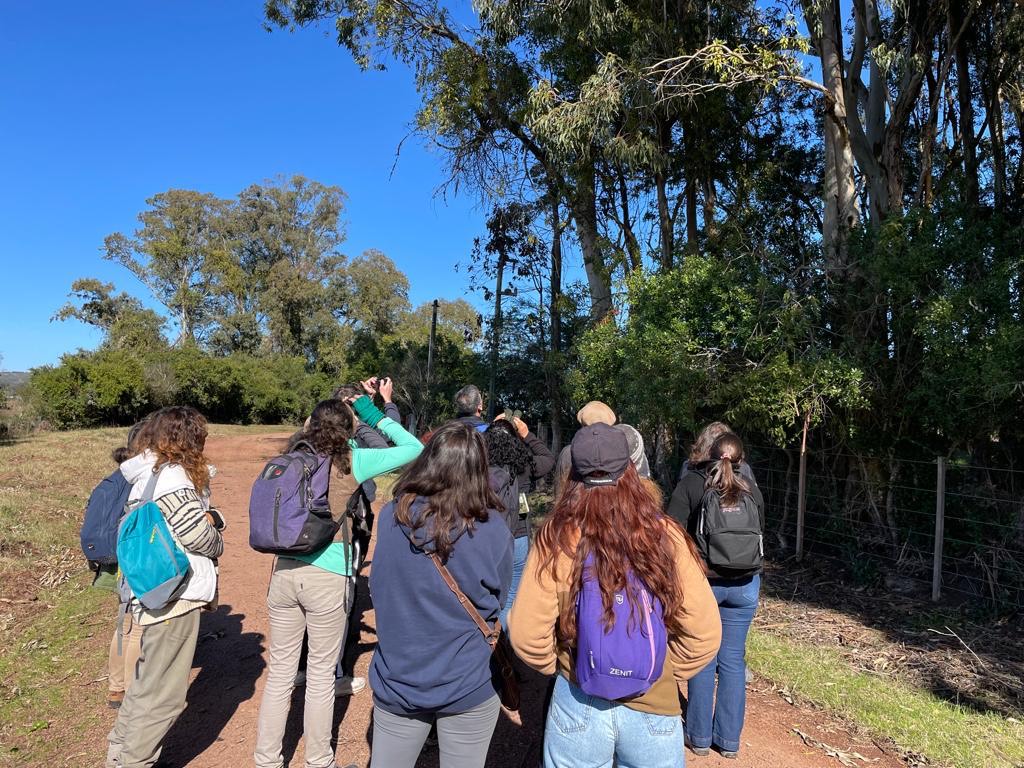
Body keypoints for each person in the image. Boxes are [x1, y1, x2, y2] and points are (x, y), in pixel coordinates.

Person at [509, 423, 722, 768]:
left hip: (579, 698)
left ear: (573, 475)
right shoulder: (665, 535)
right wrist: (659, 670)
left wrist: (565, 667)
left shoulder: (558, 537)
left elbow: (525, 634)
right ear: (631, 469)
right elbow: (704, 632)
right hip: (653, 708)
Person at [254, 392, 422, 768]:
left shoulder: (288, 459)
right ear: (348, 428)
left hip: (282, 572)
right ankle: (318, 760)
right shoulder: (352, 461)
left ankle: (266, 759)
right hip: (328, 575)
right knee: (320, 674)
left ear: (310, 426)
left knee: (281, 673)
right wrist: (369, 413)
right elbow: (412, 448)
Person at [367, 421, 513, 768]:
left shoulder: (392, 516)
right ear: (479, 471)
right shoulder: (492, 528)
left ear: (428, 461)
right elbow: (499, 598)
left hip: (399, 677)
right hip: (468, 679)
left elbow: (379, 585)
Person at [105, 406, 225, 768]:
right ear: (188, 438)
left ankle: (118, 753)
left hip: (153, 591)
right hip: (178, 598)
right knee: (165, 697)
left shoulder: (148, 473)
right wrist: (217, 534)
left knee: (144, 684)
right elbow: (198, 535)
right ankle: (134, 761)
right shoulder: (175, 477)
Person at [666, 433, 765, 759]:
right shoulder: (752, 488)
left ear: (709, 453)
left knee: (703, 656)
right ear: (742, 458)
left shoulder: (694, 483)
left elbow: (670, 531)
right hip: (746, 584)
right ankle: (729, 741)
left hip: (705, 583)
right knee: (733, 660)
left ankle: (698, 736)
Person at [483, 416, 554, 625]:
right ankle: (504, 641)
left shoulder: (476, 466)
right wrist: (527, 434)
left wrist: (491, 428)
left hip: (483, 535)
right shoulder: (523, 466)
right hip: (517, 534)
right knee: (512, 595)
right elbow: (548, 458)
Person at [551, 400, 617, 496]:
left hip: (575, 508)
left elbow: (559, 492)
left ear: (582, 425)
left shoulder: (569, 452)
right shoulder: (619, 454)